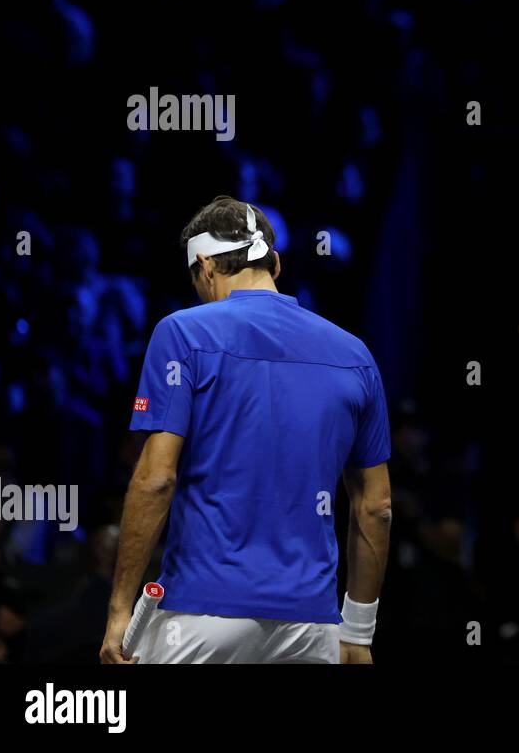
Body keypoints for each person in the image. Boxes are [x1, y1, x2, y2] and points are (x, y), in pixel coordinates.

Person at [99, 196, 392, 664]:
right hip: (312, 627)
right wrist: (357, 633)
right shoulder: (354, 353)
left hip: (199, 615)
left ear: (205, 265)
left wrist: (119, 612)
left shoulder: (182, 333)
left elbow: (156, 478)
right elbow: (375, 507)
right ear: (274, 262)